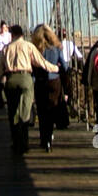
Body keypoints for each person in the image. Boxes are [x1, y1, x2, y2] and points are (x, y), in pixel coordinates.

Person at [0, 25, 60, 154]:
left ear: (12, 35)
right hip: (25, 79)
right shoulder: (28, 46)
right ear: (22, 34)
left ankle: (16, 142)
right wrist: (55, 69)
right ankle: (24, 143)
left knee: (13, 113)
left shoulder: (6, 48)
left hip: (11, 80)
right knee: (25, 113)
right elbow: (41, 62)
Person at [31, 24, 69, 152]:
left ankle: (44, 139)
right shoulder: (56, 48)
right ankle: (49, 137)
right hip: (54, 82)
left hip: (40, 82)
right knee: (52, 109)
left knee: (42, 111)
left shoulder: (36, 49)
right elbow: (64, 66)